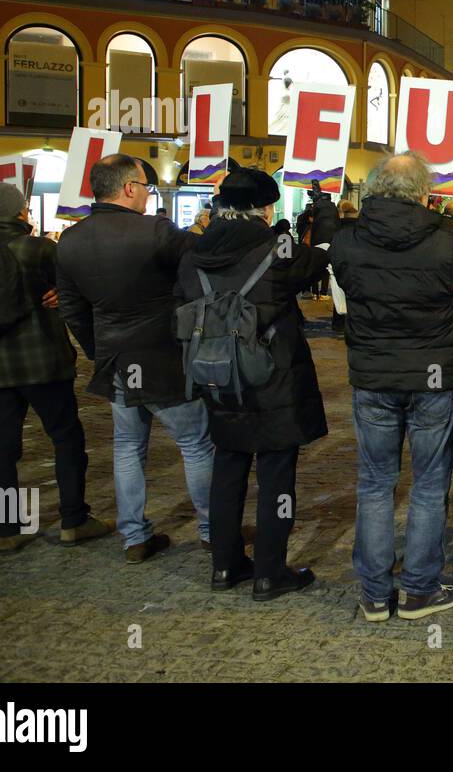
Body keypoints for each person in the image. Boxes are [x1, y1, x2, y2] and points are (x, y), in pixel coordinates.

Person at [331, 154, 453, 623]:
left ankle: (374, 593)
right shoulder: (447, 238)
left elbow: (345, 281)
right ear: (423, 191)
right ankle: (419, 589)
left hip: (374, 377)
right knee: (429, 485)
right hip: (432, 377)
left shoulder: (348, 241)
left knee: (374, 484)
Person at [177, 168, 329, 600]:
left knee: (227, 468)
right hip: (271, 377)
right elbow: (320, 258)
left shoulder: (192, 252)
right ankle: (269, 571)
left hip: (217, 375)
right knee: (276, 474)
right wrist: (323, 209)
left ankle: (224, 566)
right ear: (264, 208)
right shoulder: (275, 248)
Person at [55, 155, 213, 563]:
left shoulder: (71, 240)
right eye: (146, 186)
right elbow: (202, 268)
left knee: (128, 446)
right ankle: (214, 530)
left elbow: (72, 309)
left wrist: (99, 352)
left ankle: (133, 537)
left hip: (115, 358)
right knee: (195, 444)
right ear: (129, 188)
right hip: (162, 355)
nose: (148, 193)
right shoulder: (156, 231)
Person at [0, 181, 112, 552]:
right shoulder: (38, 248)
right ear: (17, 210)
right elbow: (76, 291)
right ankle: (74, 519)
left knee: (3, 446)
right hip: (42, 360)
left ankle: (9, 528)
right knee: (65, 438)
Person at [329, 199, 359, 333]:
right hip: (357, 267)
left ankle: (338, 324)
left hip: (341, 267)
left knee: (339, 296)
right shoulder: (362, 229)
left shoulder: (337, 229)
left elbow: (333, 250)